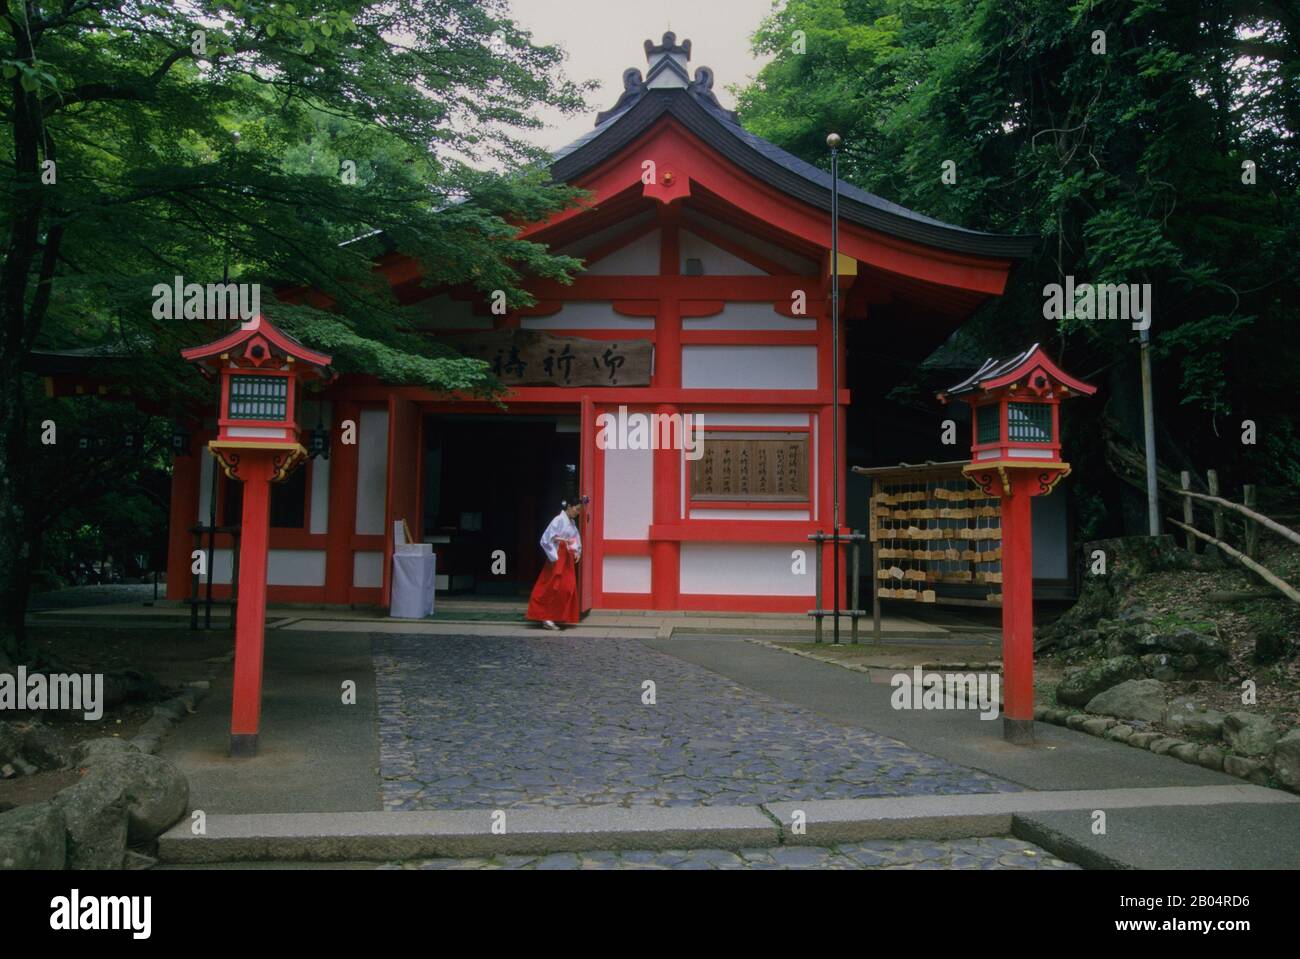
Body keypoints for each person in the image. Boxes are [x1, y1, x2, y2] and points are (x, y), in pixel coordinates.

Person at [526, 496, 586, 630]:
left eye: (579, 510)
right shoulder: (558, 520)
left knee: (567, 588)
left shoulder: (571, 523)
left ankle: (555, 616)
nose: (577, 512)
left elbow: (575, 538)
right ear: (569, 507)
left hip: (567, 558)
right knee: (552, 587)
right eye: (576, 509)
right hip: (557, 557)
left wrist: (577, 552)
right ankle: (546, 618)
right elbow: (545, 539)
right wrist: (554, 557)